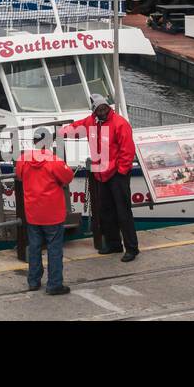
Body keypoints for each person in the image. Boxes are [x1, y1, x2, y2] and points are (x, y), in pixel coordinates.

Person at [63, 94, 139, 261]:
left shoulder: (120, 123)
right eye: (99, 110)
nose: (103, 112)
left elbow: (127, 150)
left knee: (123, 212)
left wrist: (121, 171)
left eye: (104, 108)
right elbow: (76, 128)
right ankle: (114, 244)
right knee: (106, 211)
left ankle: (132, 248)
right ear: (94, 112)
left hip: (117, 174)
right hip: (101, 173)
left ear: (107, 108)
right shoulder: (90, 122)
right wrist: (60, 133)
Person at [14, 128, 74, 295]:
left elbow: (19, 176)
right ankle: (54, 284)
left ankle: (33, 281)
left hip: (33, 211)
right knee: (54, 249)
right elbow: (67, 177)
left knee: (34, 247)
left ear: (34, 142)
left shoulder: (23, 160)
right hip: (52, 212)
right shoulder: (54, 160)